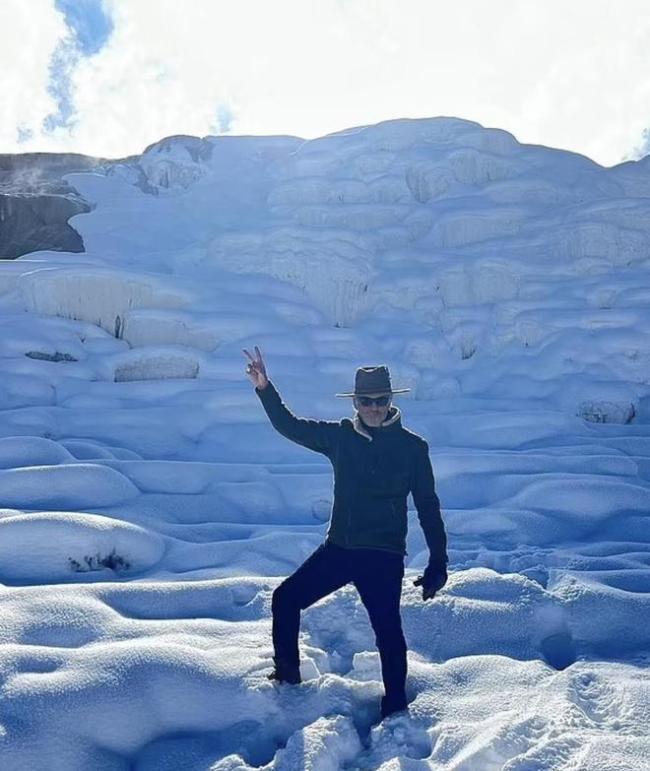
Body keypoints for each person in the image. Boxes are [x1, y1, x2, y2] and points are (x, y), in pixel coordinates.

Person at [243, 345, 448, 719]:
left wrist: (438, 562)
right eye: (367, 401)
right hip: (339, 550)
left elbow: (428, 508)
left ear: (391, 400)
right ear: (355, 403)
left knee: (388, 631)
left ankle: (396, 707)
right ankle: (287, 682)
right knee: (285, 600)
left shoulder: (412, 449)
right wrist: (264, 388)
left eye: (381, 400)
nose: (374, 408)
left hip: (383, 557)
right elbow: (290, 426)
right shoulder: (340, 437)